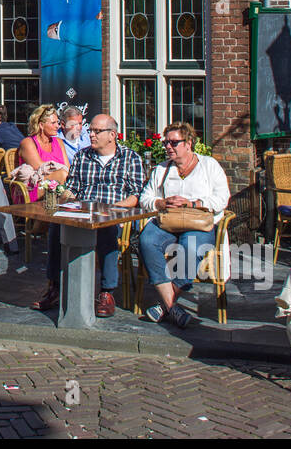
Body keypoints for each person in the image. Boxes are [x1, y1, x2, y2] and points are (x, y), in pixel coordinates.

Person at [32, 114, 145, 319]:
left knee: (107, 231)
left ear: (112, 135)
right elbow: (73, 188)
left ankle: (106, 292)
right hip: (82, 212)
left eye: (96, 131)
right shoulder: (83, 156)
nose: (90, 135)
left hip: (112, 213)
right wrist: (63, 197)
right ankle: (55, 286)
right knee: (57, 227)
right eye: (90, 130)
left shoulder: (130, 158)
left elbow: (136, 195)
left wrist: (114, 208)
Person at [136, 121, 231, 328]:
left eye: (174, 143)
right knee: (146, 240)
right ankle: (172, 307)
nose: (168, 147)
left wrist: (193, 203)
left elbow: (223, 198)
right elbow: (145, 198)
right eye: (166, 143)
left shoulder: (208, 165)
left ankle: (164, 306)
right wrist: (161, 202)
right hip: (168, 221)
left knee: (191, 247)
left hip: (197, 222)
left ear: (188, 143)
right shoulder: (162, 169)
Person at [18, 104, 70, 200]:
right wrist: (61, 173)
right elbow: (42, 169)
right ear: (41, 125)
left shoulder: (59, 142)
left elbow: (68, 167)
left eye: (57, 122)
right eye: (53, 123)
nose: (57, 126)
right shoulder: (28, 143)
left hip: (58, 187)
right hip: (34, 187)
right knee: (63, 174)